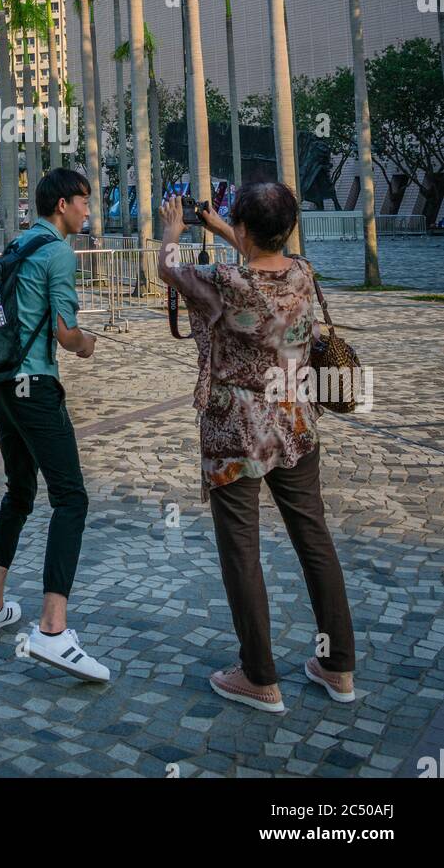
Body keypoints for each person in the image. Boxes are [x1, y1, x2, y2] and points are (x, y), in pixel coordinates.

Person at [157, 183, 355, 713]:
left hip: (236, 431)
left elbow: (170, 270)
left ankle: (259, 675)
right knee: (314, 538)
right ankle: (338, 667)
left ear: (244, 230)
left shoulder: (226, 281)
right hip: (295, 422)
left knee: (241, 551)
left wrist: (174, 232)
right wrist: (224, 227)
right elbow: (263, 261)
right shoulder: (303, 272)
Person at [0, 168, 110, 682]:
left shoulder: (17, 244)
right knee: (71, 498)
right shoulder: (57, 252)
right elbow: (65, 332)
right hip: (36, 385)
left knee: (20, 492)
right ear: (62, 205)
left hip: (2, 384)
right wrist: (87, 344)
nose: (88, 211)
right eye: (83, 202)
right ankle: (53, 630)